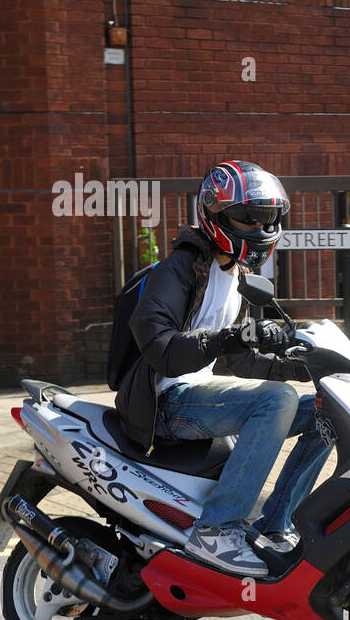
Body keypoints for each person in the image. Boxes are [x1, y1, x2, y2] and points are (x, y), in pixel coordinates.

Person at [114, 160, 333, 577]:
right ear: (213, 214)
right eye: (246, 218)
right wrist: (233, 338)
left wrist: (299, 366)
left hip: (203, 396)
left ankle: (275, 523)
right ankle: (215, 531)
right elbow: (162, 350)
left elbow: (232, 359)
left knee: (328, 409)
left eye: (267, 219)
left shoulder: (237, 275)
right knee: (275, 403)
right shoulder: (176, 271)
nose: (258, 228)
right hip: (165, 403)